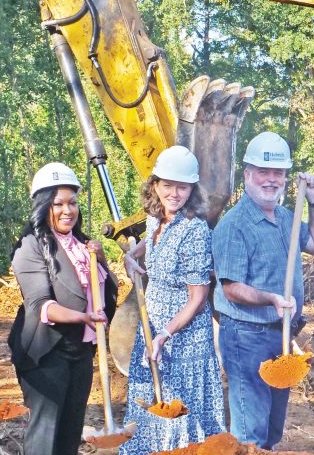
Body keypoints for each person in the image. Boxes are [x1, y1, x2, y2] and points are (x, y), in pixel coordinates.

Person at [212, 131, 314, 449]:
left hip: (281, 334)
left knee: (272, 430)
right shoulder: (234, 225)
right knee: (250, 431)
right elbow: (232, 288)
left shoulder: (286, 217)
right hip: (246, 336)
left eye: (278, 173)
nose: (271, 179)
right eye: (264, 171)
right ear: (248, 174)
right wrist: (270, 298)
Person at [8, 162, 119, 455]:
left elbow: (106, 291)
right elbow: (42, 306)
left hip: (80, 351)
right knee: (46, 435)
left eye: (72, 203)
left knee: (70, 432)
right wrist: (83, 317)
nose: (67, 210)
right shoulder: (29, 246)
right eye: (58, 204)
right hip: (46, 352)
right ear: (44, 205)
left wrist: (102, 258)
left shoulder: (84, 244)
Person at [119, 146, 224, 453]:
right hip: (151, 328)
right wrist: (130, 258)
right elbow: (143, 248)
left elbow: (198, 297)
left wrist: (166, 334)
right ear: (155, 185)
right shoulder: (156, 220)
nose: (174, 193)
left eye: (182, 186)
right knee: (148, 402)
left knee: (178, 414)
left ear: (192, 189)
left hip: (182, 338)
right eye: (168, 185)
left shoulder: (195, 230)